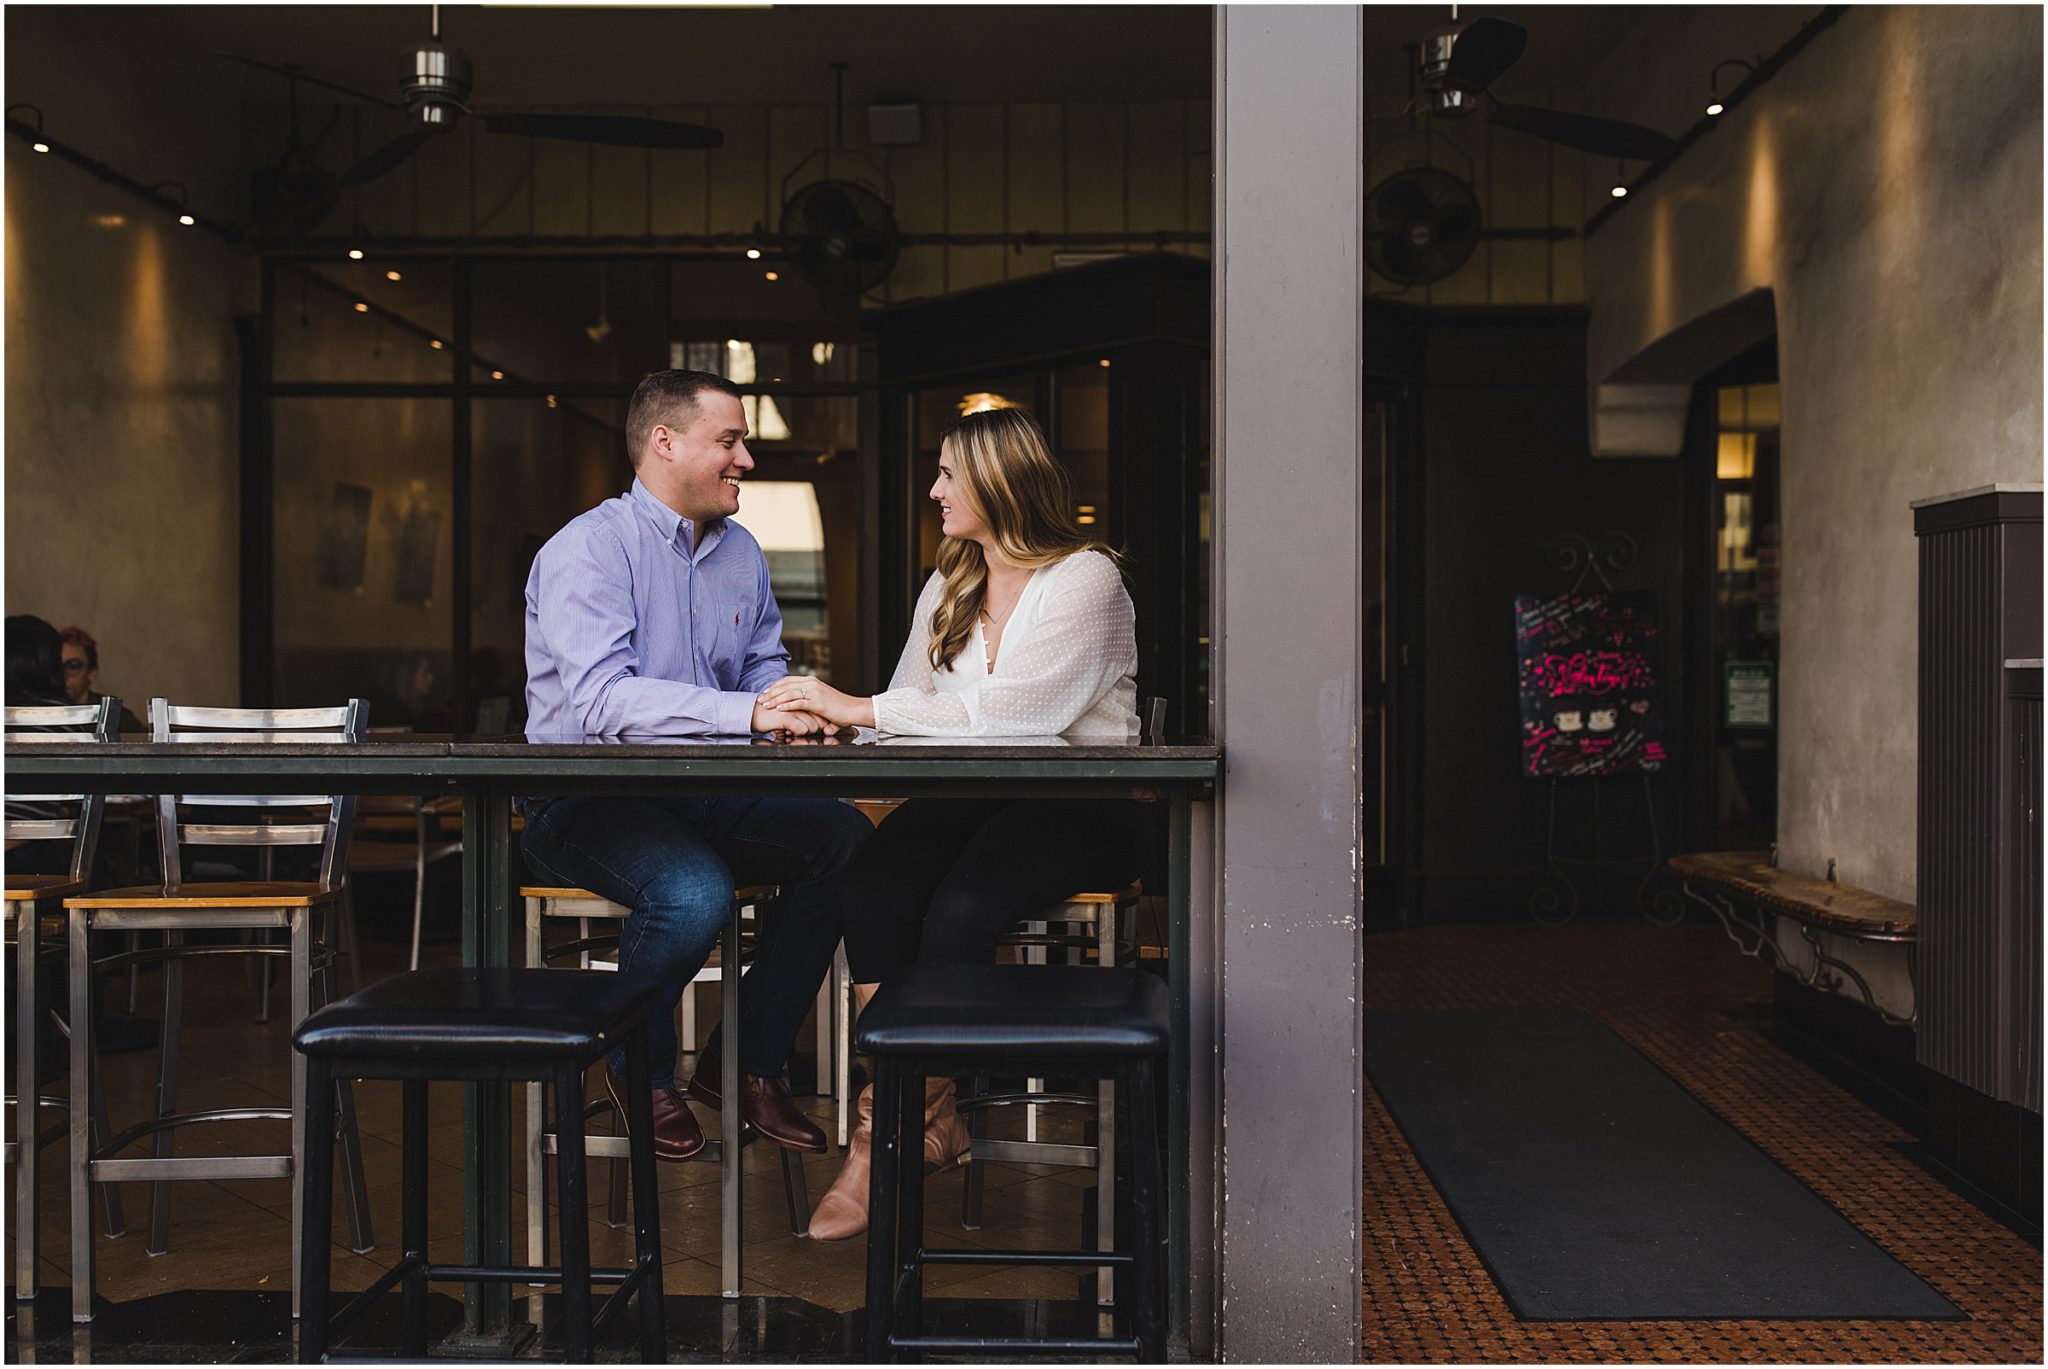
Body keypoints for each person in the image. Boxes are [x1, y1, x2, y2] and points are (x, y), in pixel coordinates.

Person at [752, 406, 1148, 1239]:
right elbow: (914, 705)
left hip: (1079, 797)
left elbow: (1026, 713)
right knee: (872, 883)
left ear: (998, 481)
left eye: (947, 475)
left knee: (961, 909)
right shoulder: (950, 583)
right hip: (973, 794)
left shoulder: (1087, 577)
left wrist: (860, 704)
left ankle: (885, 1126)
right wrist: (844, 724)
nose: (934, 490)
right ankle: (927, 1119)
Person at [520, 368, 873, 1164]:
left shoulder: (741, 552)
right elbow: (603, 703)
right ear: (665, 441)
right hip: (582, 802)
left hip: (704, 792)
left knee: (849, 843)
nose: (746, 458)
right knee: (694, 891)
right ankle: (634, 1068)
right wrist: (748, 714)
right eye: (731, 440)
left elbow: (757, 669)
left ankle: (743, 1062)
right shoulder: (588, 550)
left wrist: (792, 709)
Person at [57, 626, 143, 733]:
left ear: (92, 672)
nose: (63, 674)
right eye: (56, 666)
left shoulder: (117, 719)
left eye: (73, 666)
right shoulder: (45, 715)